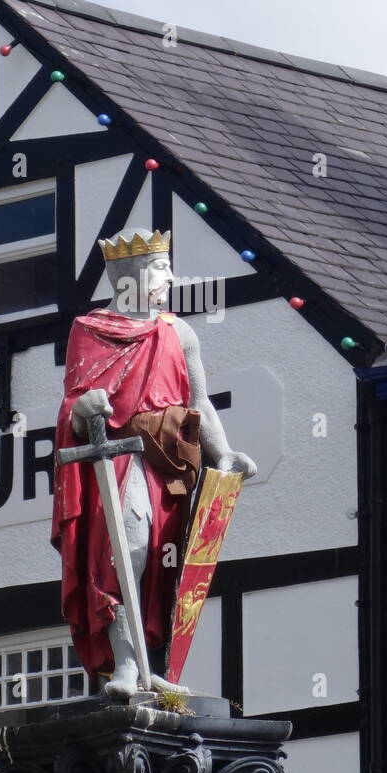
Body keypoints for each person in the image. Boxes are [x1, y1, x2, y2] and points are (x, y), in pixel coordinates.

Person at [52, 228, 255, 698]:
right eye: (161, 268)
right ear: (129, 276)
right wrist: (83, 409)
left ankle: (150, 666)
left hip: (171, 466)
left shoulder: (178, 332)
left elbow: (198, 400)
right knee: (125, 546)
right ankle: (125, 663)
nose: (170, 277)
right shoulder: (90, 329)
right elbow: (74, 405)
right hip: (122, 458)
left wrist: (222, 453)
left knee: (166, 565)